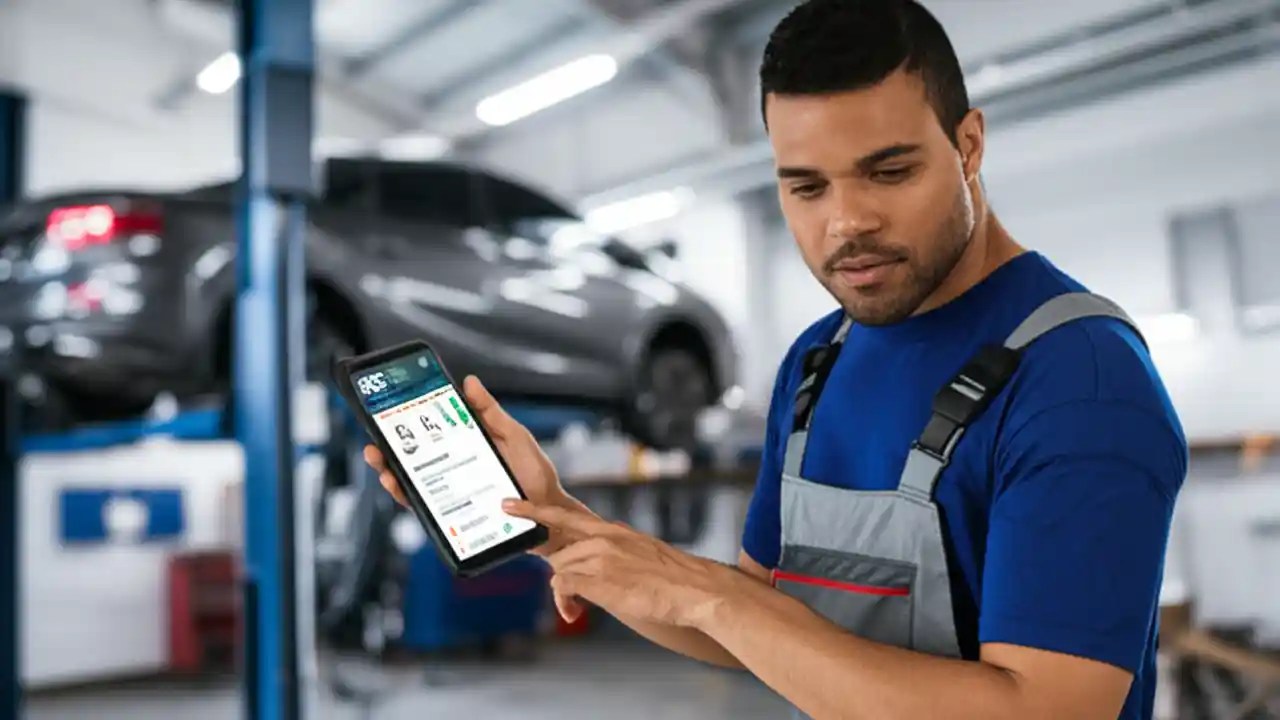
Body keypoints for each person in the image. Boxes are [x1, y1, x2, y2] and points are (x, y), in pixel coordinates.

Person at [364, 1, 1186, 717]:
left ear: (968, 145)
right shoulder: (819, 361)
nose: (846, 223)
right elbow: (762, 623)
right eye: (806, 186)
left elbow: (1045, 710)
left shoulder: (1079, 380)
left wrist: (717, 598)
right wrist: (557, 528)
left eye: (888, 171)